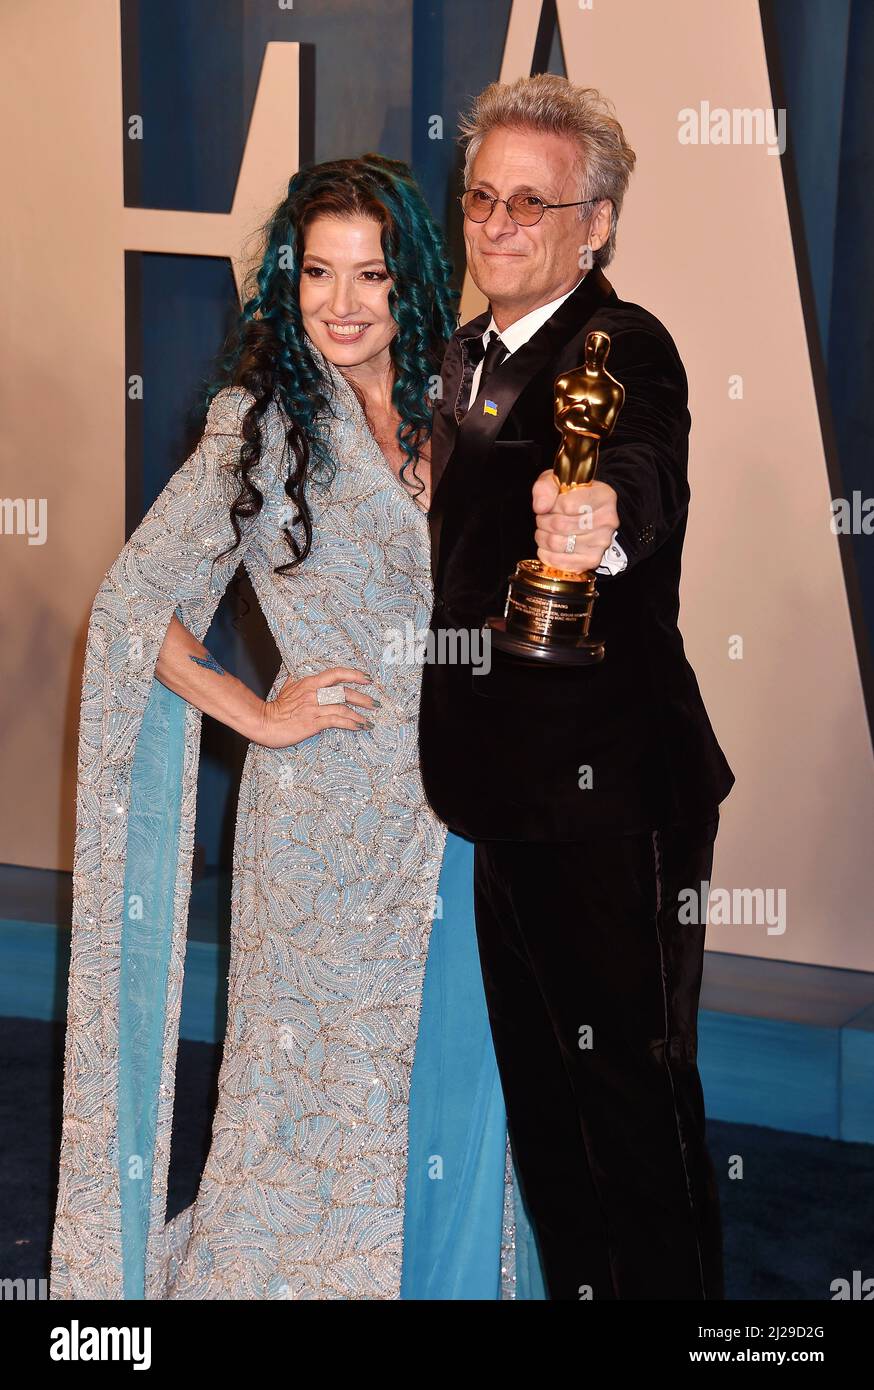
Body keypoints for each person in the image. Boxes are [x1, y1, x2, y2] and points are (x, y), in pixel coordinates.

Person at [49, 155, 544, 1300]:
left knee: (453, 1071)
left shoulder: (456, 402)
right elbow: (133, 609)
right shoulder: (258, 423)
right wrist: (258, 717)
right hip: (321, 824)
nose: (342, 301)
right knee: (317, 1085)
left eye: (369, 274)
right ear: (289, 278)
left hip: (459, 810)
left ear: (409, 284)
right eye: (317, 271)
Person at [419, 75, 736, 1300]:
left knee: (631, 1108)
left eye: (531, 205)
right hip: (502, 796)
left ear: (593, 224)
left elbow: (644, 462)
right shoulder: (466, 354)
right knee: (548, 1106)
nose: (498, 225)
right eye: (483, 198)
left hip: (612, 803)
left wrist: (602, 521)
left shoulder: (621, 342)